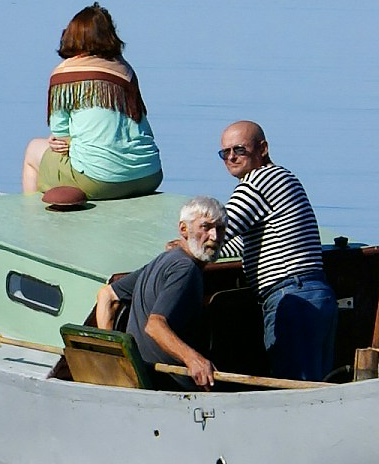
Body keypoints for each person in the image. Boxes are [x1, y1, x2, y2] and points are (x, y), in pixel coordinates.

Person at [214, 121, 337, 384]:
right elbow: (245, 243)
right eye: (225, 152)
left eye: (239, 149)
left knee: (294, 391)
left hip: (291, 298)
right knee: (318, 389)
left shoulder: (258, 182)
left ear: (263, 149)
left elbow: (219, 229)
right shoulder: (283, 177)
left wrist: (185, 248)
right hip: (314, 294)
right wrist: (214, 252)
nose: (231, 157)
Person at [22, 3, 164, 201]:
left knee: (33, 150)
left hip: (99, 181)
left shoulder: (64, 73)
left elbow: (61, 136)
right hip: (149, 174)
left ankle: (30, 221)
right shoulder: (125, 70)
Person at [93, 196, 221, 389]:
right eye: (206, 227)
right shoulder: (185, 270)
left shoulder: (164, 260)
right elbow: (154, 326)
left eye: (221, 229)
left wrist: (114, 360)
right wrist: (193, 359)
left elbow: (107, 295)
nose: (215, 236)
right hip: (169, 384)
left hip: (141, 378)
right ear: (183, 229)